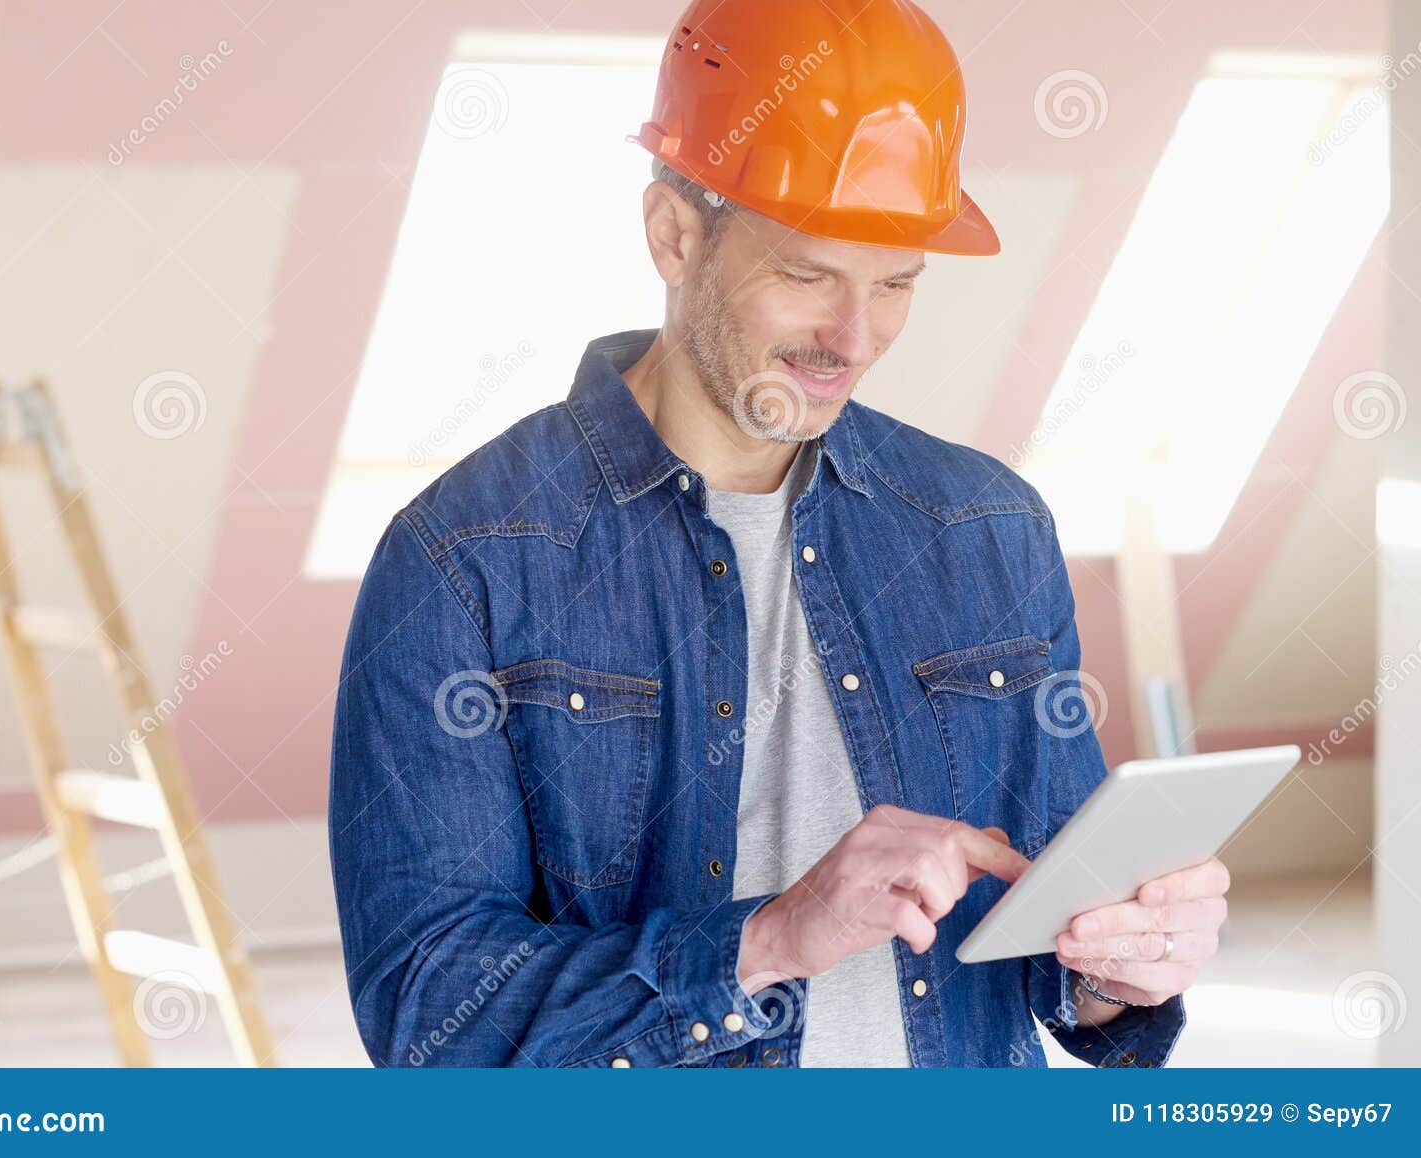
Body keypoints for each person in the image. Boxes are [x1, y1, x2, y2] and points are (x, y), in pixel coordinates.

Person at [329, 0, 1226, 1067]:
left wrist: (1118, 970)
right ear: (674, 234)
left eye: (895, 284)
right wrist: (769, 940)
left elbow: (1049, 946)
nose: (854, 338)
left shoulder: (987, 528)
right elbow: (427, 1013)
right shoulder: (466, 557)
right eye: (807, 276)